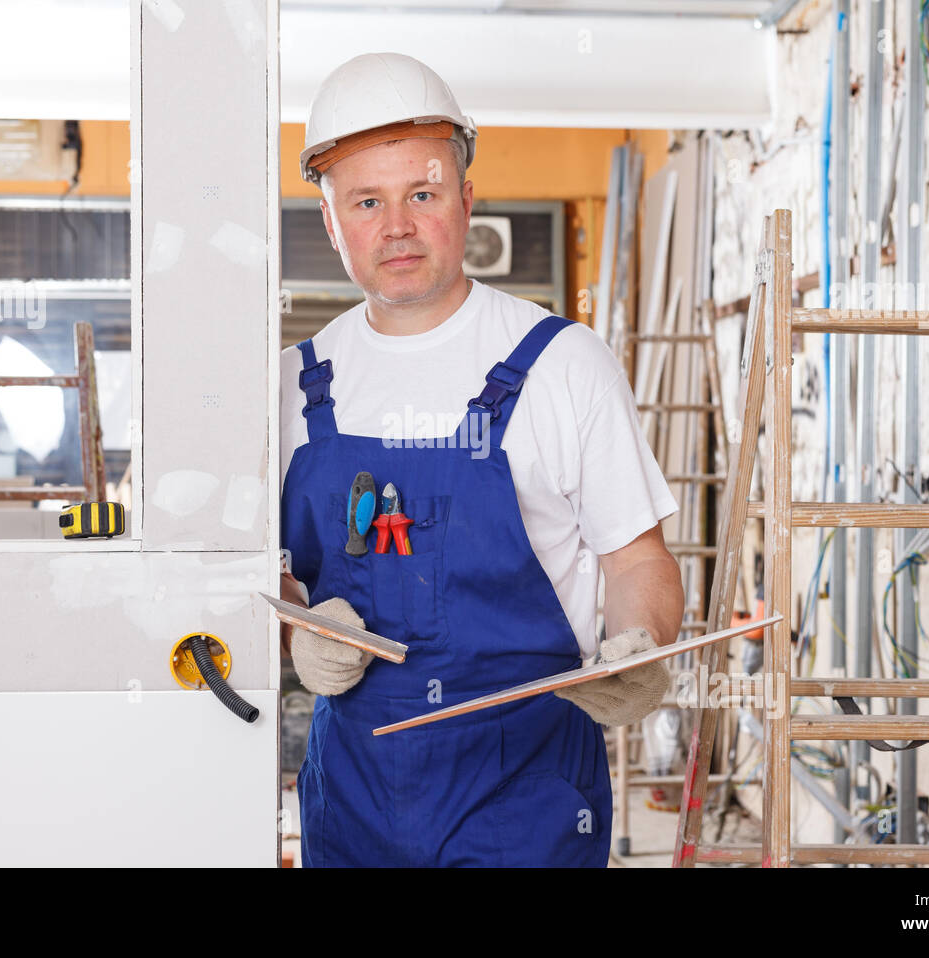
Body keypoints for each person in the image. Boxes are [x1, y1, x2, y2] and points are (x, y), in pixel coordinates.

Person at [278, 52, 683, 867]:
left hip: (527, 789)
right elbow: (261, 581)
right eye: (366, 201)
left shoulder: (565, 362)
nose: (397, 226)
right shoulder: (289, 386)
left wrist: (640, 640)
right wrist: (293, 633)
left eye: (421, 194)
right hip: (354, 790)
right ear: (331, 222)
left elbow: (638, 559)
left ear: (465, 201)